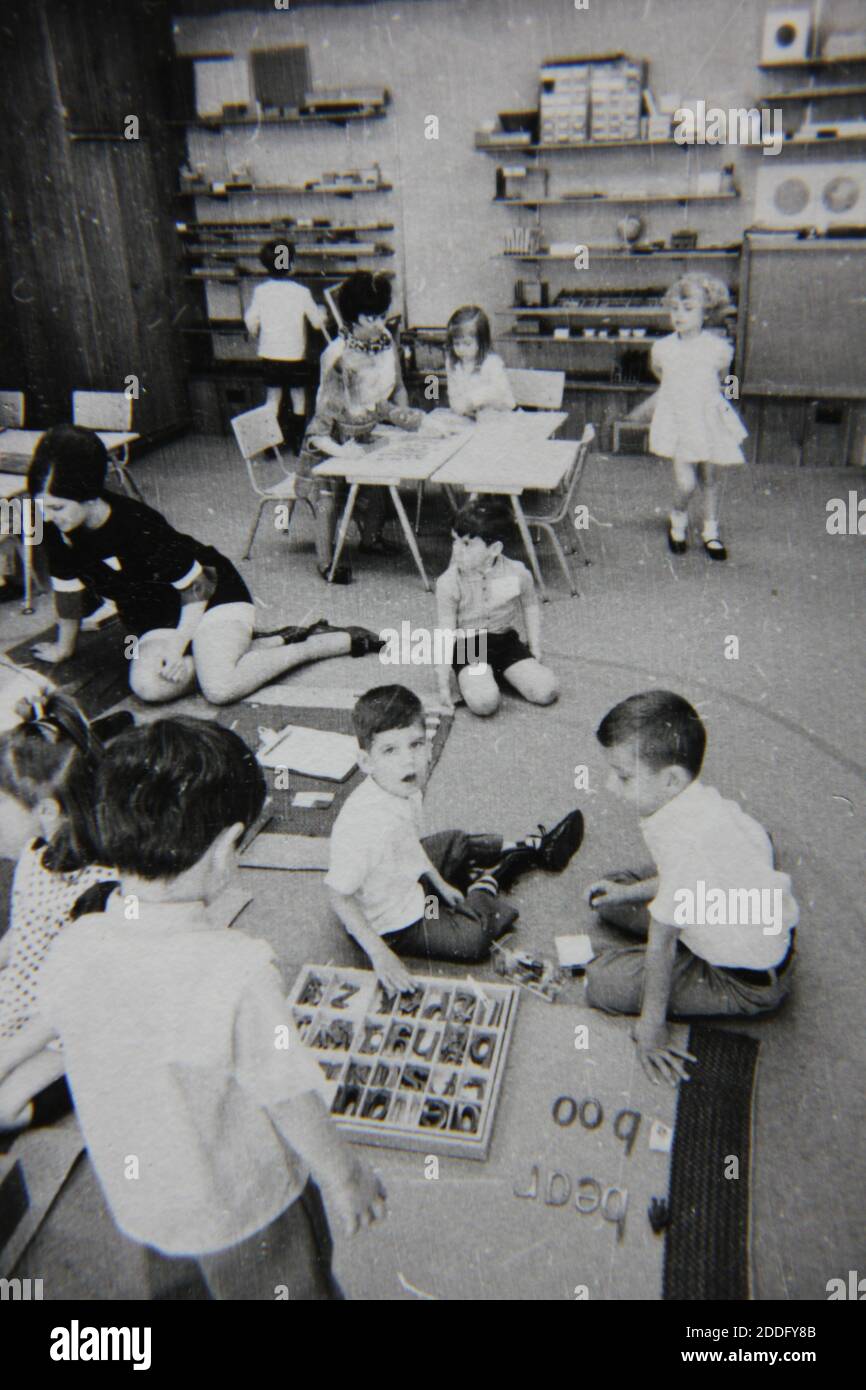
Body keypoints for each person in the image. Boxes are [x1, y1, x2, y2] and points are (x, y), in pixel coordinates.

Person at [34, 716, 386, 1299]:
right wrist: (343, 1173)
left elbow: (64, 1035)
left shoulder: (76, 944)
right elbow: (289, 1096)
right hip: (246, 1208)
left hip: (148, 1204)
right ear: (226, 849)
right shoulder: (237, 968)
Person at [28, 426, 383, 706]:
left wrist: (178, 645)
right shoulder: (54, 527)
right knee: (148, 687)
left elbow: (197, 587)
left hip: (212, 597)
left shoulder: (137, 523)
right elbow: (68, 588)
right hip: (155, 617)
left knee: (220, 688)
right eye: (43, 507)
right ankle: (250, 649)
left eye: (57, 507)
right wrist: (65, 648)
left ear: (90, 496)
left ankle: (322, 642)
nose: (48, 517)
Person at [584, 690, 798, 1086]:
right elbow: (749, 850)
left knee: (602, 981)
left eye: (624, 776)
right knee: (614, 893)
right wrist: (627, 895)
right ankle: (641, 912)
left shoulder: (688, 845)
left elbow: (662, 943)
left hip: (746, 983)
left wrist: (651, 1031)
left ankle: (653, 965)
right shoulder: (698, 804)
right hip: (739, 920)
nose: (610, 786)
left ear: (670, 779)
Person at [326, 684, 583, 991]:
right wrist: (381, 955)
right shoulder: (364, 824)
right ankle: (498, 875)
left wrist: (438, 882)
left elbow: (409, 844)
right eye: (390, 750)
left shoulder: (402, 788)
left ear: (429, 744)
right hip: (394, 923)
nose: (408, 760)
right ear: (366, 761)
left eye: (416, 744)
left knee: (453, 841)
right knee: (472, 941)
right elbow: (338, 895)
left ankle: (528, 846)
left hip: (411, 884)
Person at [0, 691, 120, 1141]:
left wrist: (9, 1054)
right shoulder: (34, 854)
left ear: (47, 811)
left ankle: (77, 1081)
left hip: (61, 1026)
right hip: (18, 1000)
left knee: (2, 1107)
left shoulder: (99, 892)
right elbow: (21, 934)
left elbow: (72, 1002)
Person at [297, 271, 423, 584]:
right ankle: (327, 563)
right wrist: (341, 451)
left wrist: (408, 418)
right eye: (371, 318)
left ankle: (371, 539)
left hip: (365, 428)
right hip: (333, 437)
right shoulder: (338, 357)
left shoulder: (385, 341)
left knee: (378, 483)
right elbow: (321, 423)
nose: (380, 324)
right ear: (353, 317)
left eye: (382, 316)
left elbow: (397, 389)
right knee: (329, 496)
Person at [648, 274, 746, 561]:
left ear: (706, 312)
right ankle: (677, 519)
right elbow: (661, 375)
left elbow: (724, 381)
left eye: (688, 309)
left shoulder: (717, 348)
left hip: (707, 419)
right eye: (674, 309)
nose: (679, 315)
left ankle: (710, 531)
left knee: (710, 478)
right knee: (686, 483)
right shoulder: (663, 348)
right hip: (679, 421)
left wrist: (719, 406)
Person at [434, 497, 557, 717]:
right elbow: (445, 630)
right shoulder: (448, 582)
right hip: (469, 646)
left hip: (504, 640)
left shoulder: (517, 572)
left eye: (467, 544)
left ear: (494, 549)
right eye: (455, 541)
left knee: (547, 691)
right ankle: (482, 677)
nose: (457, 550)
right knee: (484, 704)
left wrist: (535, 647)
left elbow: (530, 606)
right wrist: (443, 679)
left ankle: (496, 673)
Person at [244, 239, 327, 452]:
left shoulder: (261, 291)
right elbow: (317, 323)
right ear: (291, 263)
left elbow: (251, 319)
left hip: (270, 354)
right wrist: (323, 312)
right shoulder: (301, 291)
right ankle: (298, 444)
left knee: (272, 399)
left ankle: (271, 447)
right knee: (298, 398)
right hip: (295, 355)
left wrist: (255, 332)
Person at [445, 305, 515, 419]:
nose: (461, 349)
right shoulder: (453, 363)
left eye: (467, 344)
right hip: (469, 420)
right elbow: (453, 397)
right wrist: (460, 408)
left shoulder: (492, 363)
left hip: (499, 418)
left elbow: (501, 393)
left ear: (482, 341)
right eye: (456, 344)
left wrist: (473, 400)